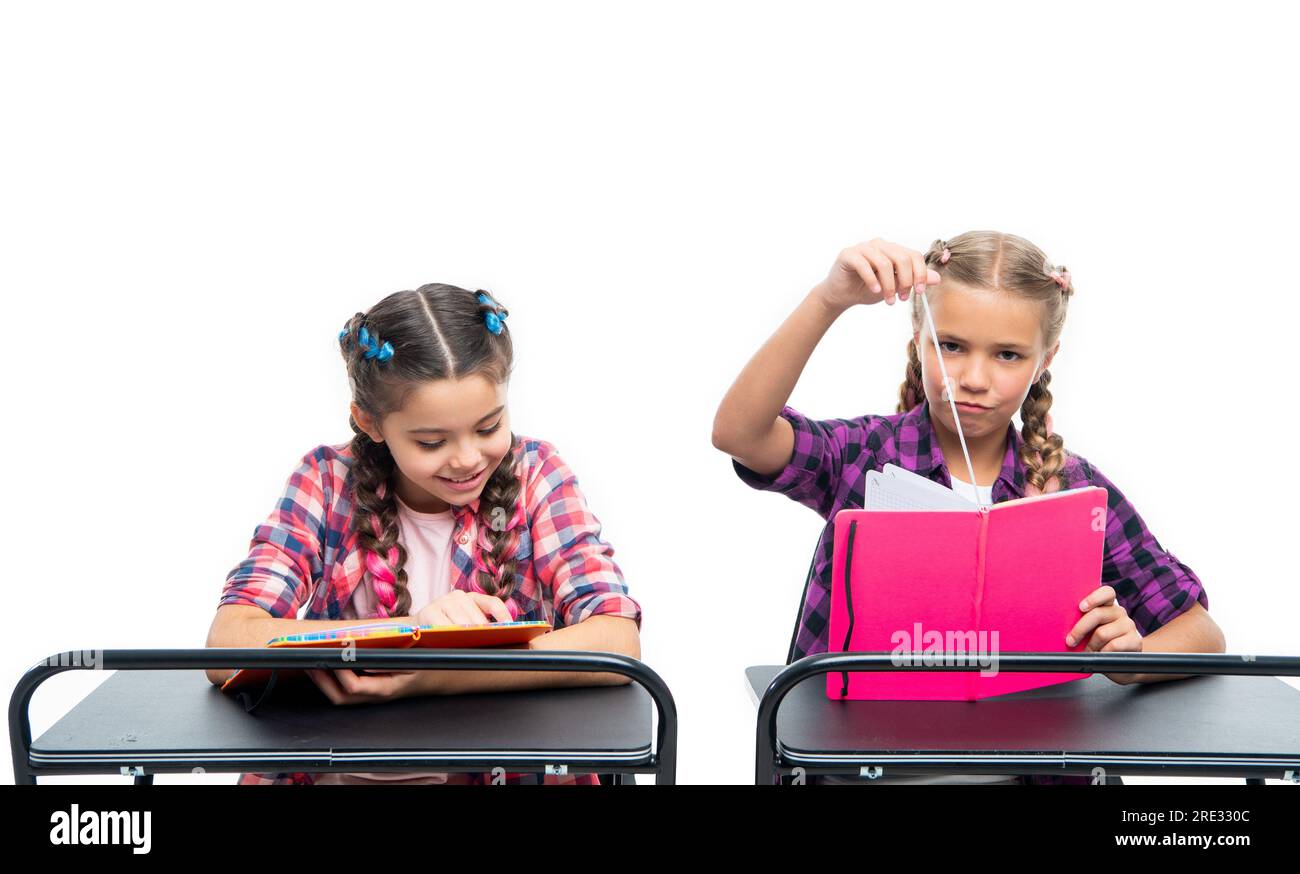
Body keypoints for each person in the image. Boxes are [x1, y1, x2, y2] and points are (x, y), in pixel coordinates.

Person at [712, 233, 1225, 785]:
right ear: (919, 340)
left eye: (1007, 355)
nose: (974, 379)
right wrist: (827, 300)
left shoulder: (1073, 492)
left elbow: (1202, 633)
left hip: (1030, 770)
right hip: (859, 766)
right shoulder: (864, 457)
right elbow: (739, 432)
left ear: (1044, 359)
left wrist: (1133, 657)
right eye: (951, 346)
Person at [206, 284, 642, 785]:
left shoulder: (537, 476)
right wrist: (407, 637)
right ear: (368, 422)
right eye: (432, 441)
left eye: (488, 426)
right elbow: (230, 641)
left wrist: (443, 672)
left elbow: (616, 641)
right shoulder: (326, 482)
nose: (466, 458)